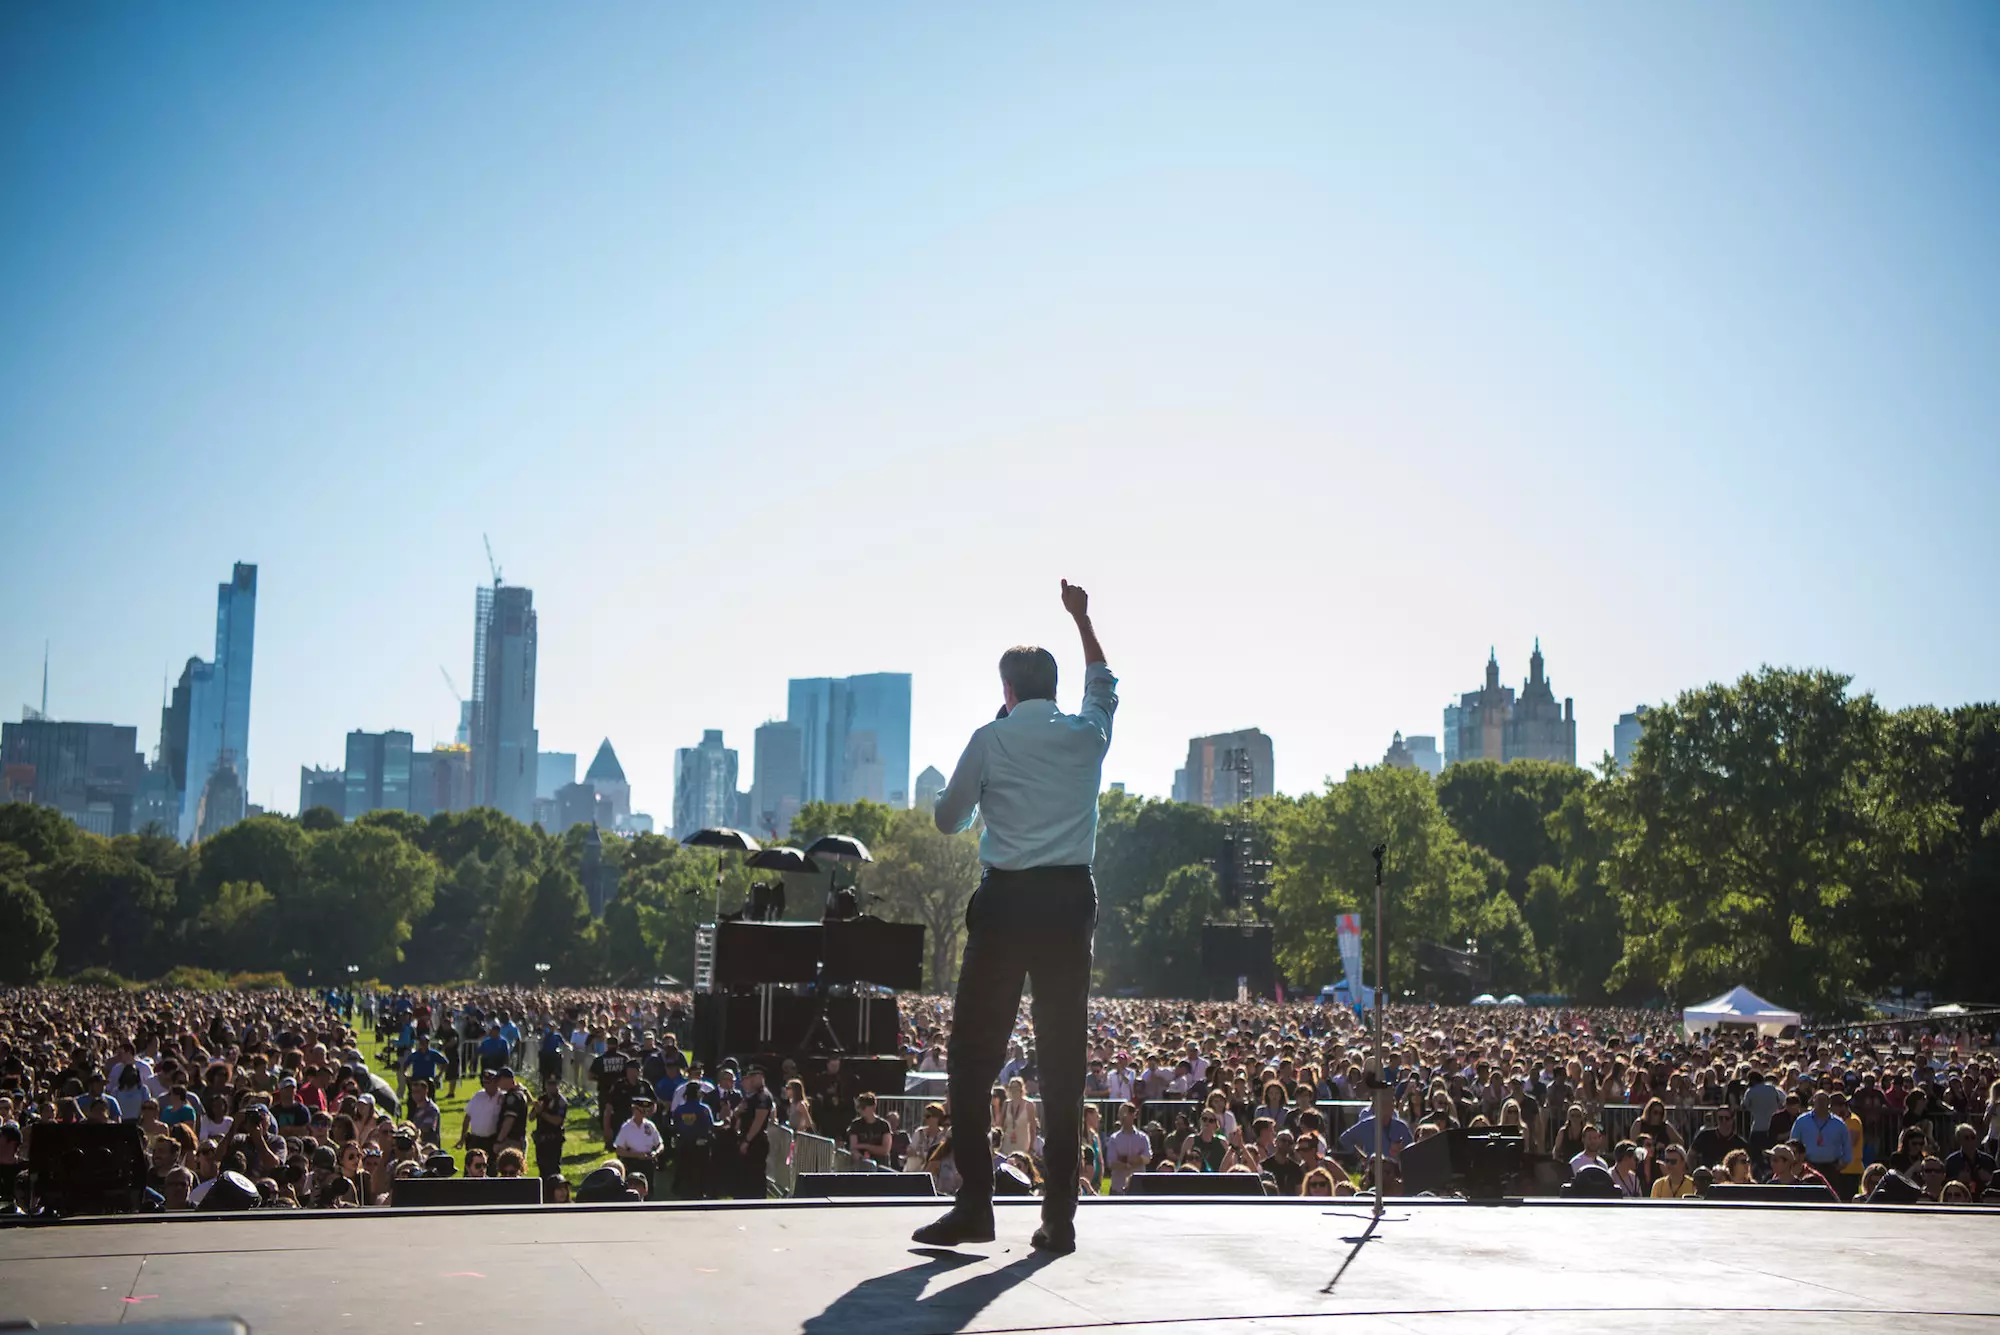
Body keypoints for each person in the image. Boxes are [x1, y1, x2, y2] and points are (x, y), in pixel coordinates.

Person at [915, 579, 1118, 1258]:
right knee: (1063, 1062)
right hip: (1068, 903)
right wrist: (1082, 617)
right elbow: (1105, 682)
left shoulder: (991, 738)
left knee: (971, 1058)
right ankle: (1058, 1217)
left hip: (1005, 904)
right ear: (1054, 690)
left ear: (1006, 689)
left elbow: (948, 818)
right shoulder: (1087, 735)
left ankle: (976, 1203)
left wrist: (980, 799)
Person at [612, 1094, 663, 1181]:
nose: (643, 1114)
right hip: (633, 1163)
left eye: (645, 1111)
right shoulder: (626, 1127)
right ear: (634, 1109)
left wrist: (656, 1152)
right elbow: (619, 1150)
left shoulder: (650, 1125)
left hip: (648, 1162)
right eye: (640, 1111)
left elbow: (660, 1144)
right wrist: (636, 1155)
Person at [531, 1075, 569, 1182]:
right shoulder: (542, 1099)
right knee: (542, 1168)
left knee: (552, 1169)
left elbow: (557, 1121)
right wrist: (536, 1109)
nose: (552, 1087)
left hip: (553, 1140)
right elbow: (531, 1117)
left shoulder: (561, 1101)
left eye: (554, 1084)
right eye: (549, 1084)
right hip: (541, 1140)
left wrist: (542, 1112)